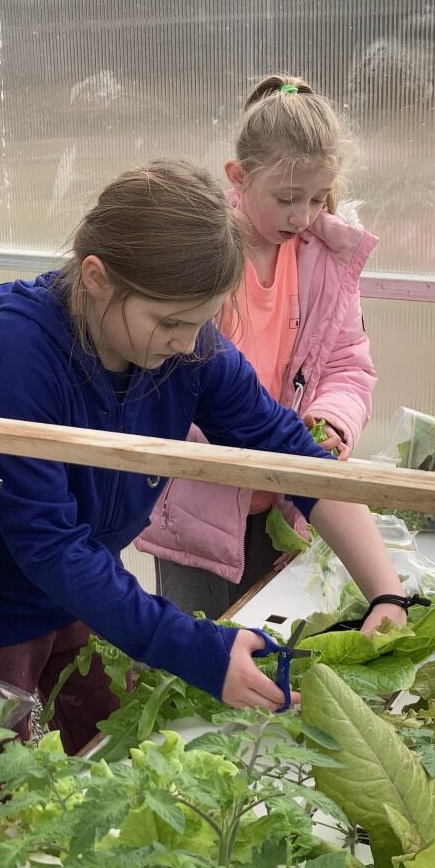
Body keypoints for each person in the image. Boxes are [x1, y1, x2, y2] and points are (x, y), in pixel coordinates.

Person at [0, 159, 406, 800]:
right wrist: (193, 646)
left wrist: (388, 594)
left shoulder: (188, 351)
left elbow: (290, 455)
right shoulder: (19, 354)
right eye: (172, 323)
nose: (187, 345)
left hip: (90, 598)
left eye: (200, 323)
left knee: (125, 773)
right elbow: (46, 541)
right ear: (98, 278)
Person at [138, 76, 377, 618]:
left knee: (274, 645)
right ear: (238, 177)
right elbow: (161, 369)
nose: (303, 217)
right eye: (287, 199)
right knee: (197, 655)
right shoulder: (201, 252)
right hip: (199, 503)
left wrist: (332, 422)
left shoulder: (327, 261)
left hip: (289, 503)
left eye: (317, 199)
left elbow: (347, 363)